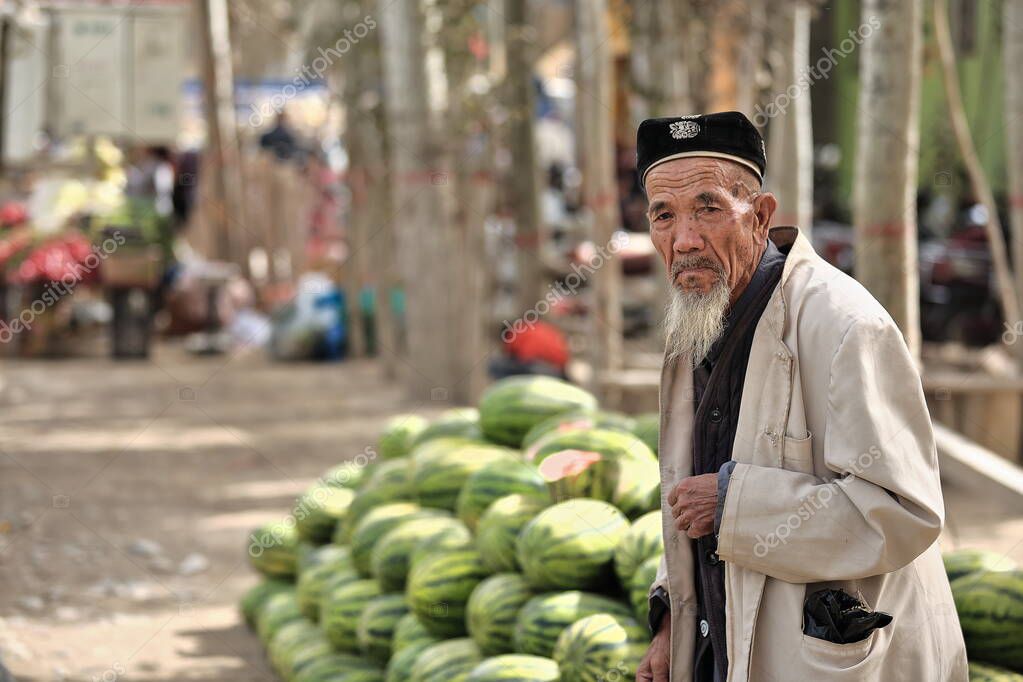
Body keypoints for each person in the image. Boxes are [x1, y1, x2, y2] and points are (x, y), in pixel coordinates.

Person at [634, 112, 967, 682]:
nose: (684, 240)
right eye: (664, 216)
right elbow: (692, 504)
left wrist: (734, 502)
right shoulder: (695, 320)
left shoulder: (844, 325)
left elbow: (903, 512)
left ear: (761, 216)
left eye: (708, 208)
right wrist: (675, 622)